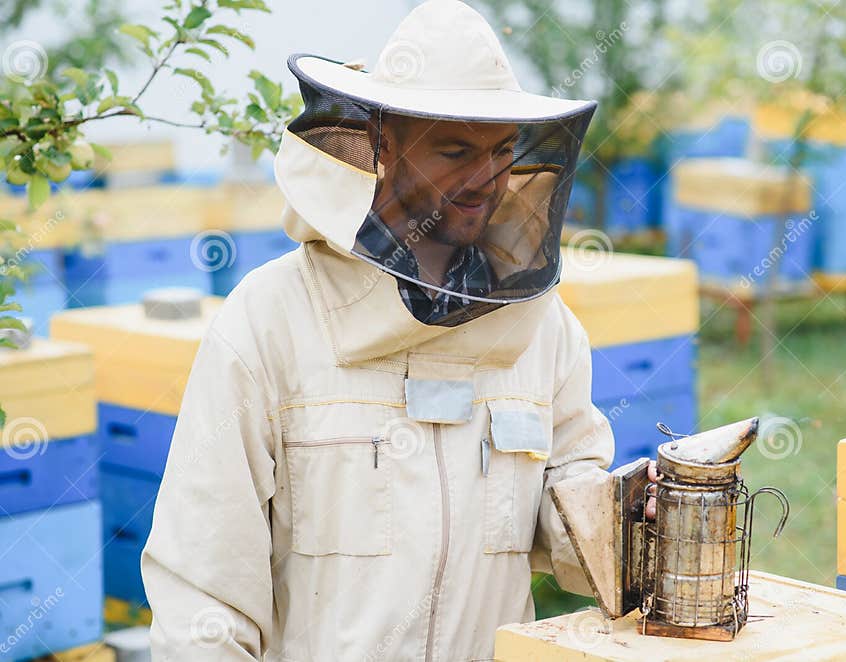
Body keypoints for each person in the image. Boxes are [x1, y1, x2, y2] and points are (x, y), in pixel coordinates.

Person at [141, 1, 655, 660]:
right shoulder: (268, 322)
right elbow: (202, 588)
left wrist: (628, 513)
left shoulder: (545, 331)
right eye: (454, 150)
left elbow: (569, 521)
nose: (485, 180)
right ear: (383, 144)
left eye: (501, 151)